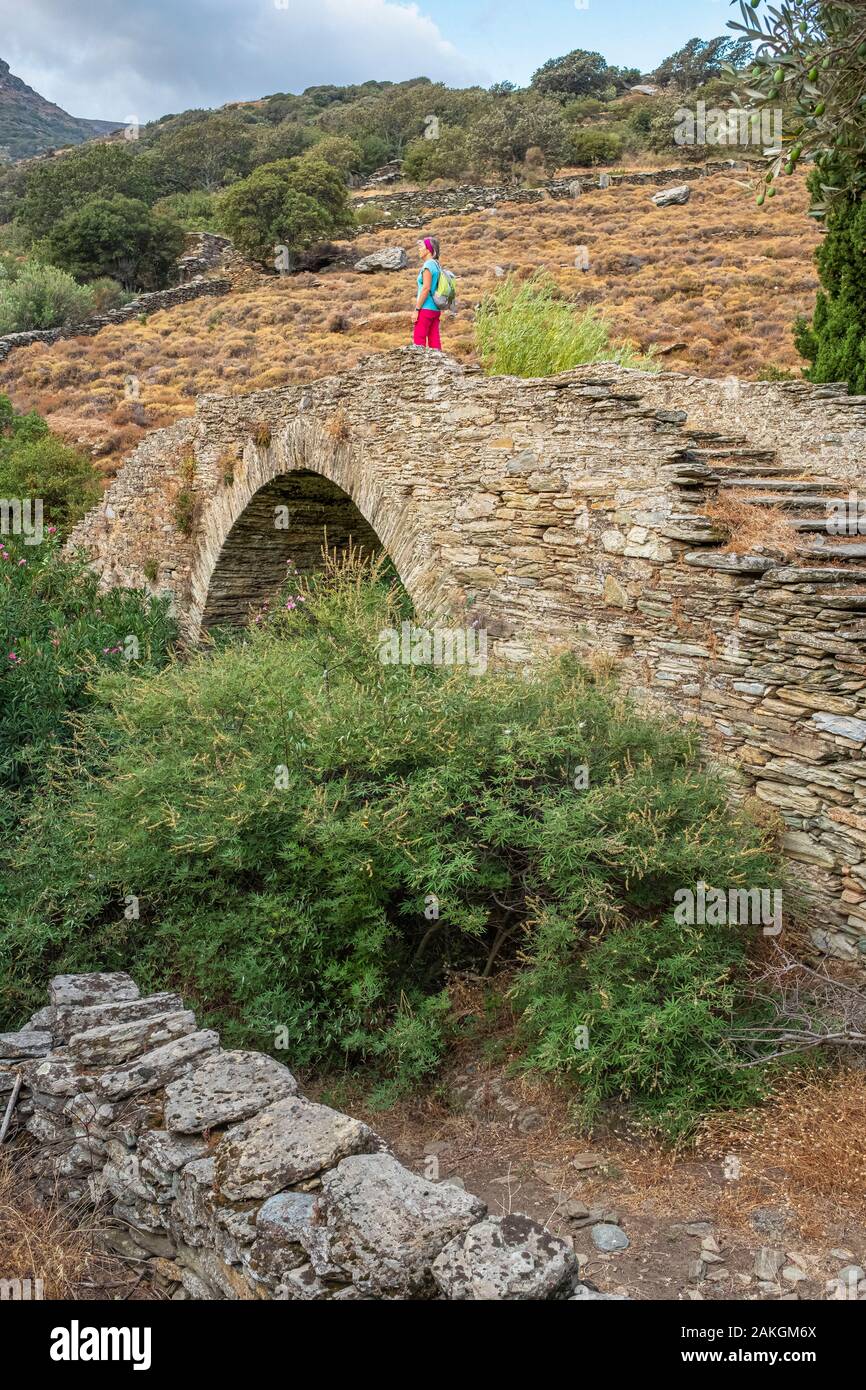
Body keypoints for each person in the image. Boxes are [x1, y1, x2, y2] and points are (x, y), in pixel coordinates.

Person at [413, 236, 442, 350]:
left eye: (421, 247)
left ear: (428, 250)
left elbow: (426, 288)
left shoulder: (428, 265)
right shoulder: (436, 264)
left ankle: (419, 365)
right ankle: (439, 364)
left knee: (419, 339)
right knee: (434, 339)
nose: (419, 250)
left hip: (425, 308)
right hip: (435, 309)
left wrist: (417, 310)